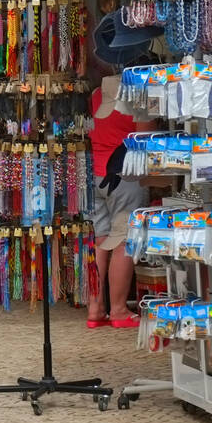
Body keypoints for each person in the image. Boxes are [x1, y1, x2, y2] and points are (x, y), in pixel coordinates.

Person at [88, 77, 154, 328]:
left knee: (99, 241)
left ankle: (95, 308)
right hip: (124, 173)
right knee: (124, 239)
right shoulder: (138, 94)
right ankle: (117, 310)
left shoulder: (97, 92)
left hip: (93, 173)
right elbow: (145, 136)